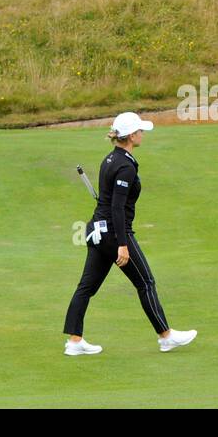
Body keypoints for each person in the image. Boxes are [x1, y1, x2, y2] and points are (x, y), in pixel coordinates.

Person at [62, 112, 197, 356]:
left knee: (86, 287)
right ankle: (166, 336)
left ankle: (74, 341)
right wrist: (122, 245)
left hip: (97, 231)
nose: (143, 134)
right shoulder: (125, 166)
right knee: (145, 282)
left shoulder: (111, 159)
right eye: (140, 131)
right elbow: (116, 208)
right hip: (114, 234)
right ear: (131, 136)